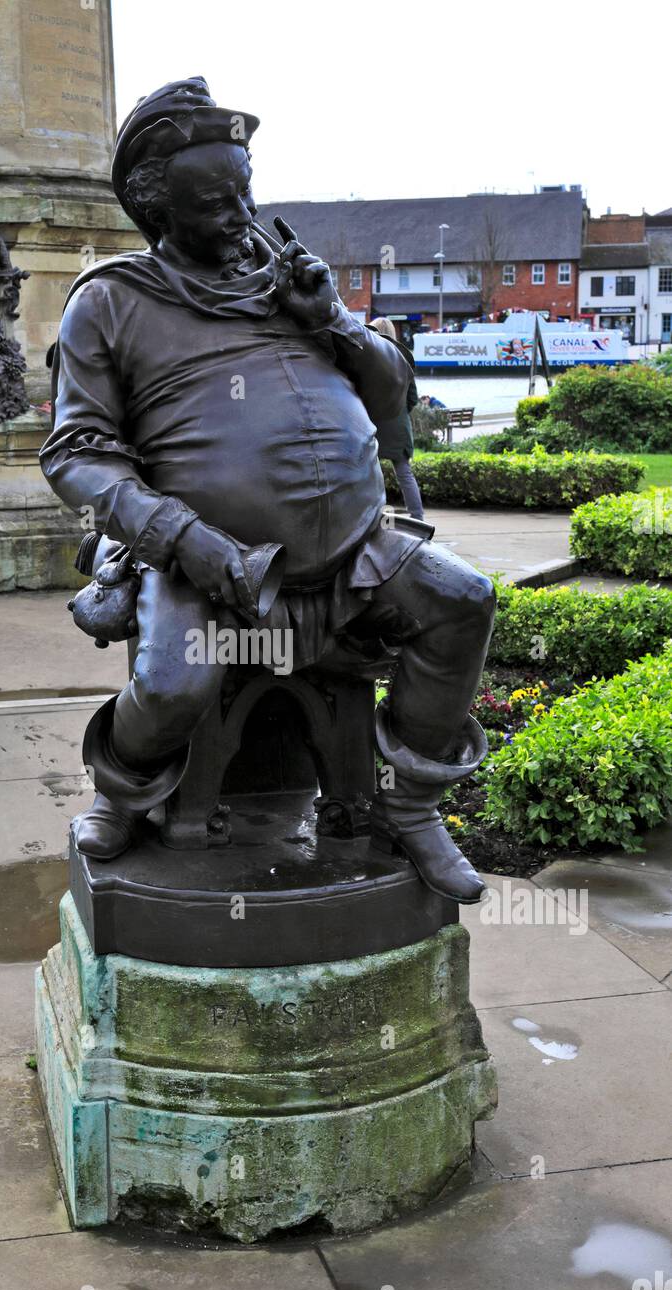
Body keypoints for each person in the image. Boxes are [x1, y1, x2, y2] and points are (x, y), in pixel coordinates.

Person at [40, 77, 495, 903]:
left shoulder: (291, 281)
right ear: (160, 212)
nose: (240, 215)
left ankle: (414, 807)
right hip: (208, 554)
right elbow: (77, 451)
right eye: (214, 201)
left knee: (463, 600)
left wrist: (335, 321)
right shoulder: (111, 301)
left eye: (245, 191)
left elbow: (394, 399)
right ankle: (121, 789)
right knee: (177, 684)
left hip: (358, 545)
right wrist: (182, 539)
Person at [370, 317, 423, 520]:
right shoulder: (404, 359)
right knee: (404, 474)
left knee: (372, 476)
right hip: (399, 426)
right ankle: (418, 518)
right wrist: (398, 414)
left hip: (373, 425)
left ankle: (379, 519)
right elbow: (413, 398)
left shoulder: (369, 359)